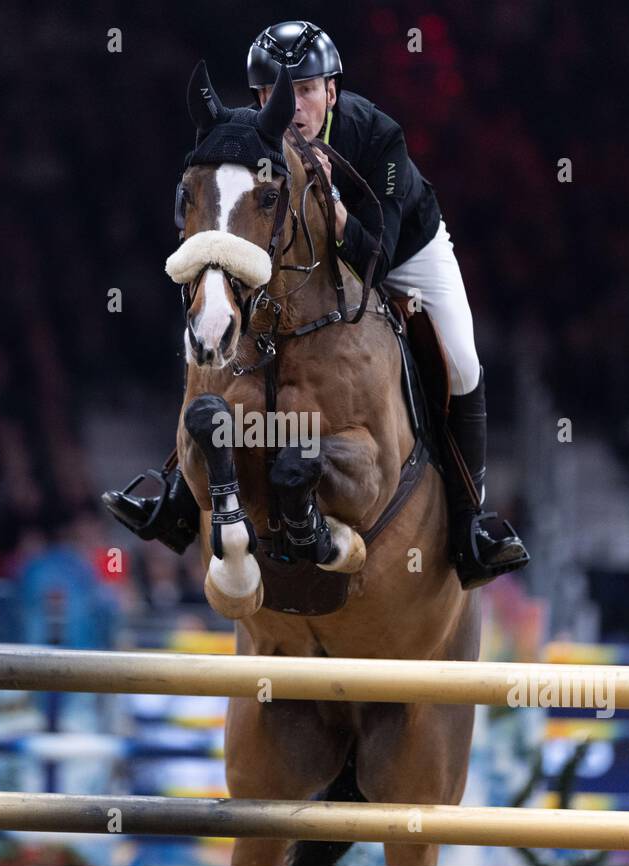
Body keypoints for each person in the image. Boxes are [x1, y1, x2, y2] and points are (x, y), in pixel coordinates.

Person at [104, 20, 528, 590]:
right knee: (223, 314)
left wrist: (332, 205)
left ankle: (470, 524)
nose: (293, 105)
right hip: (311, 265)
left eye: (307, 89)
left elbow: (374, 255)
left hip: (401, 249)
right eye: (276, 93)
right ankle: (181, 494)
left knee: (462, 357)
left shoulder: (378, 137)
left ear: (331, 91)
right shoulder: (252, 139)